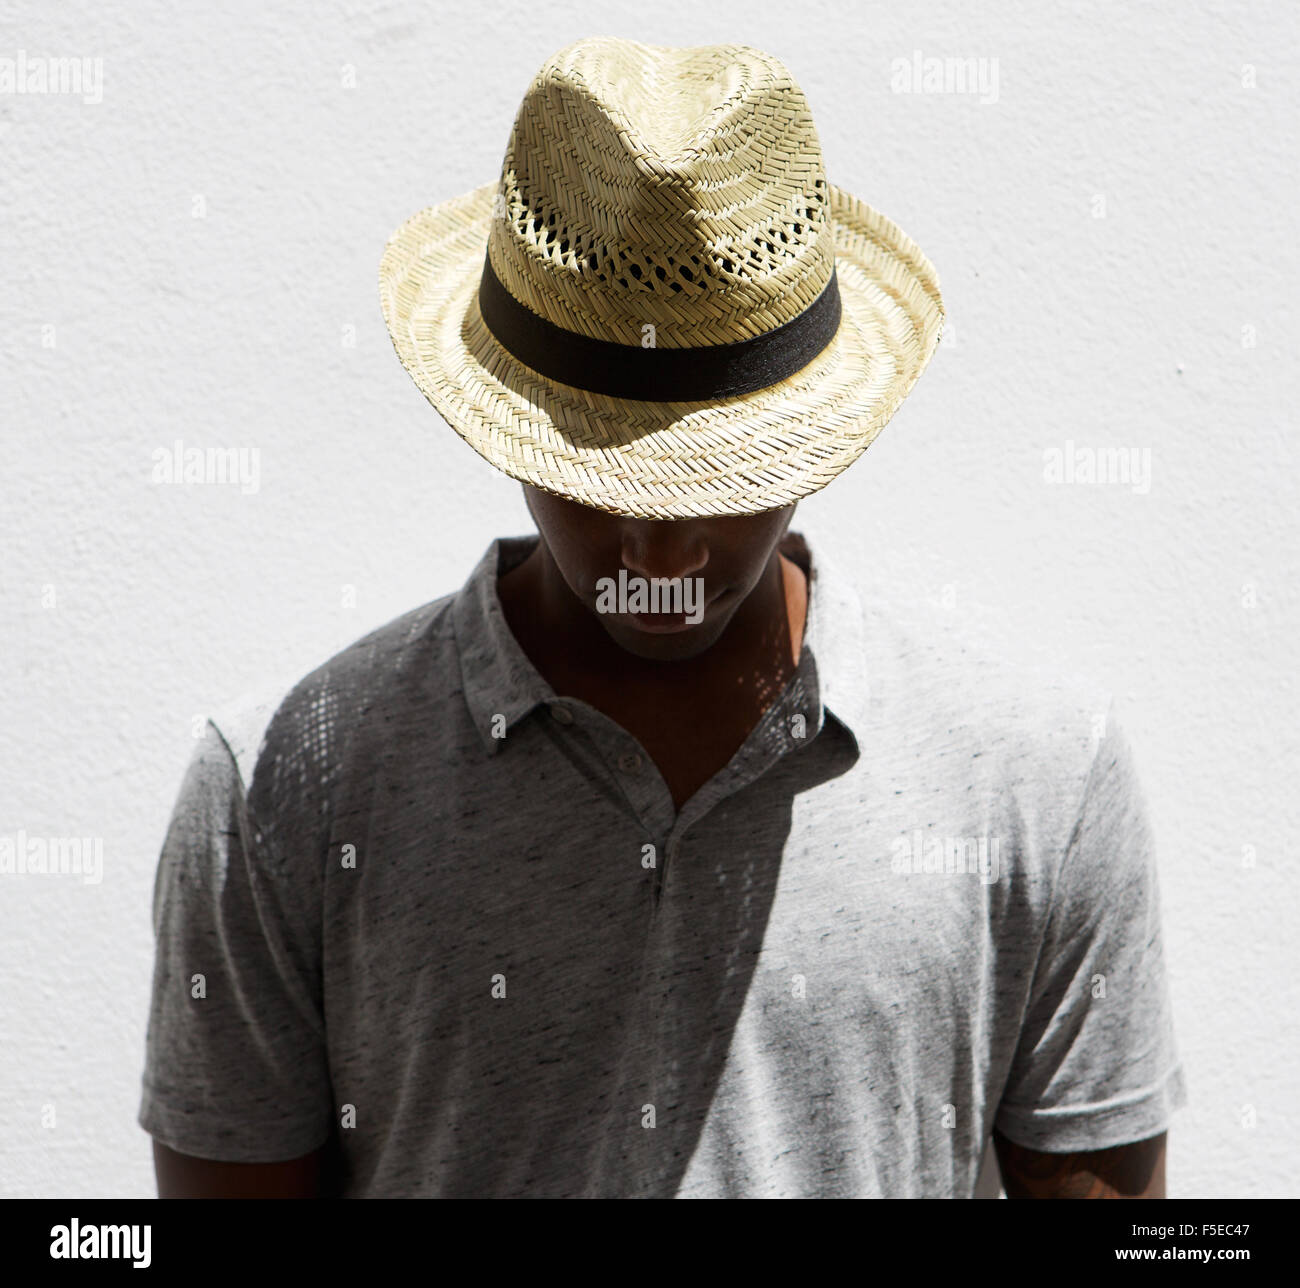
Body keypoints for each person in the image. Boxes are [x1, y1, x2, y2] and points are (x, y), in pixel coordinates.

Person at [139, 36, 1186, 1198]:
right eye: (600, 474)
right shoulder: (288, 785)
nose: (660, 550)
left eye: (719, 483)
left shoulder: (1033, 778)